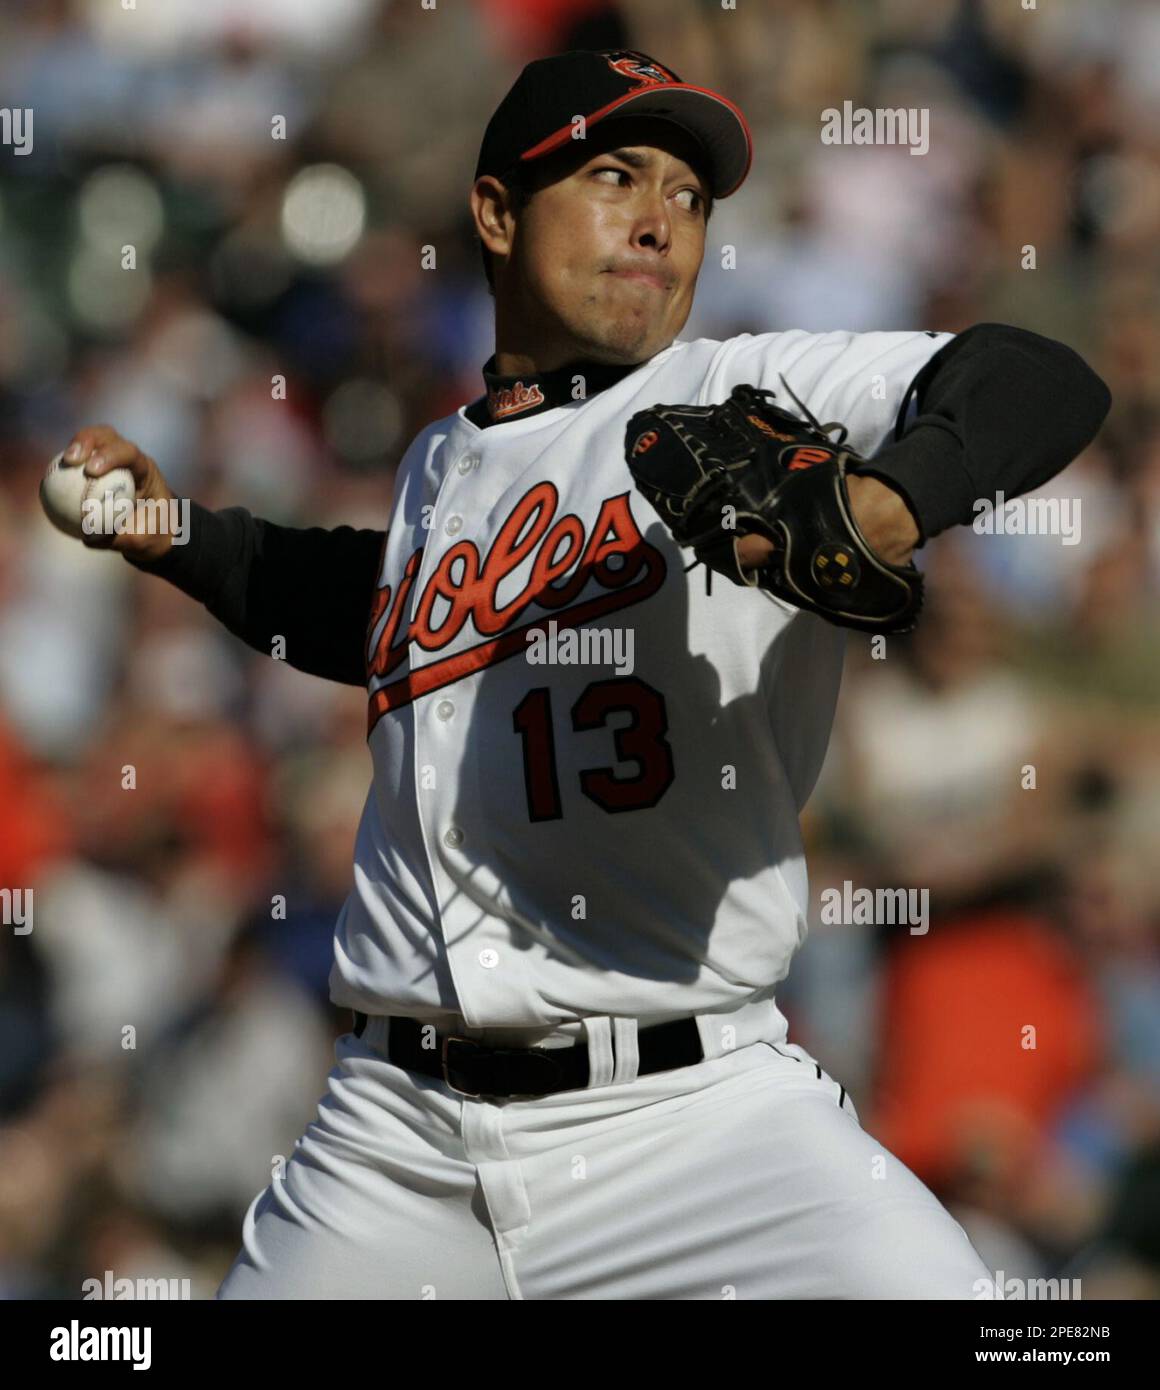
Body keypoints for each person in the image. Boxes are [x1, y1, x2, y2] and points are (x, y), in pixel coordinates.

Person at [62, 49, 1110, 1299]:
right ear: (498, 213)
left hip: (695, 1121)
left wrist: (886, 502)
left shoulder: (739, 395)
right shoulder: (441, 465)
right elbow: (374, 604)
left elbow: (1042, 379)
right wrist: (181, 538)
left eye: (688, 194)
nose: (661, 219)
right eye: (615, 175)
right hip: (392, 1142)